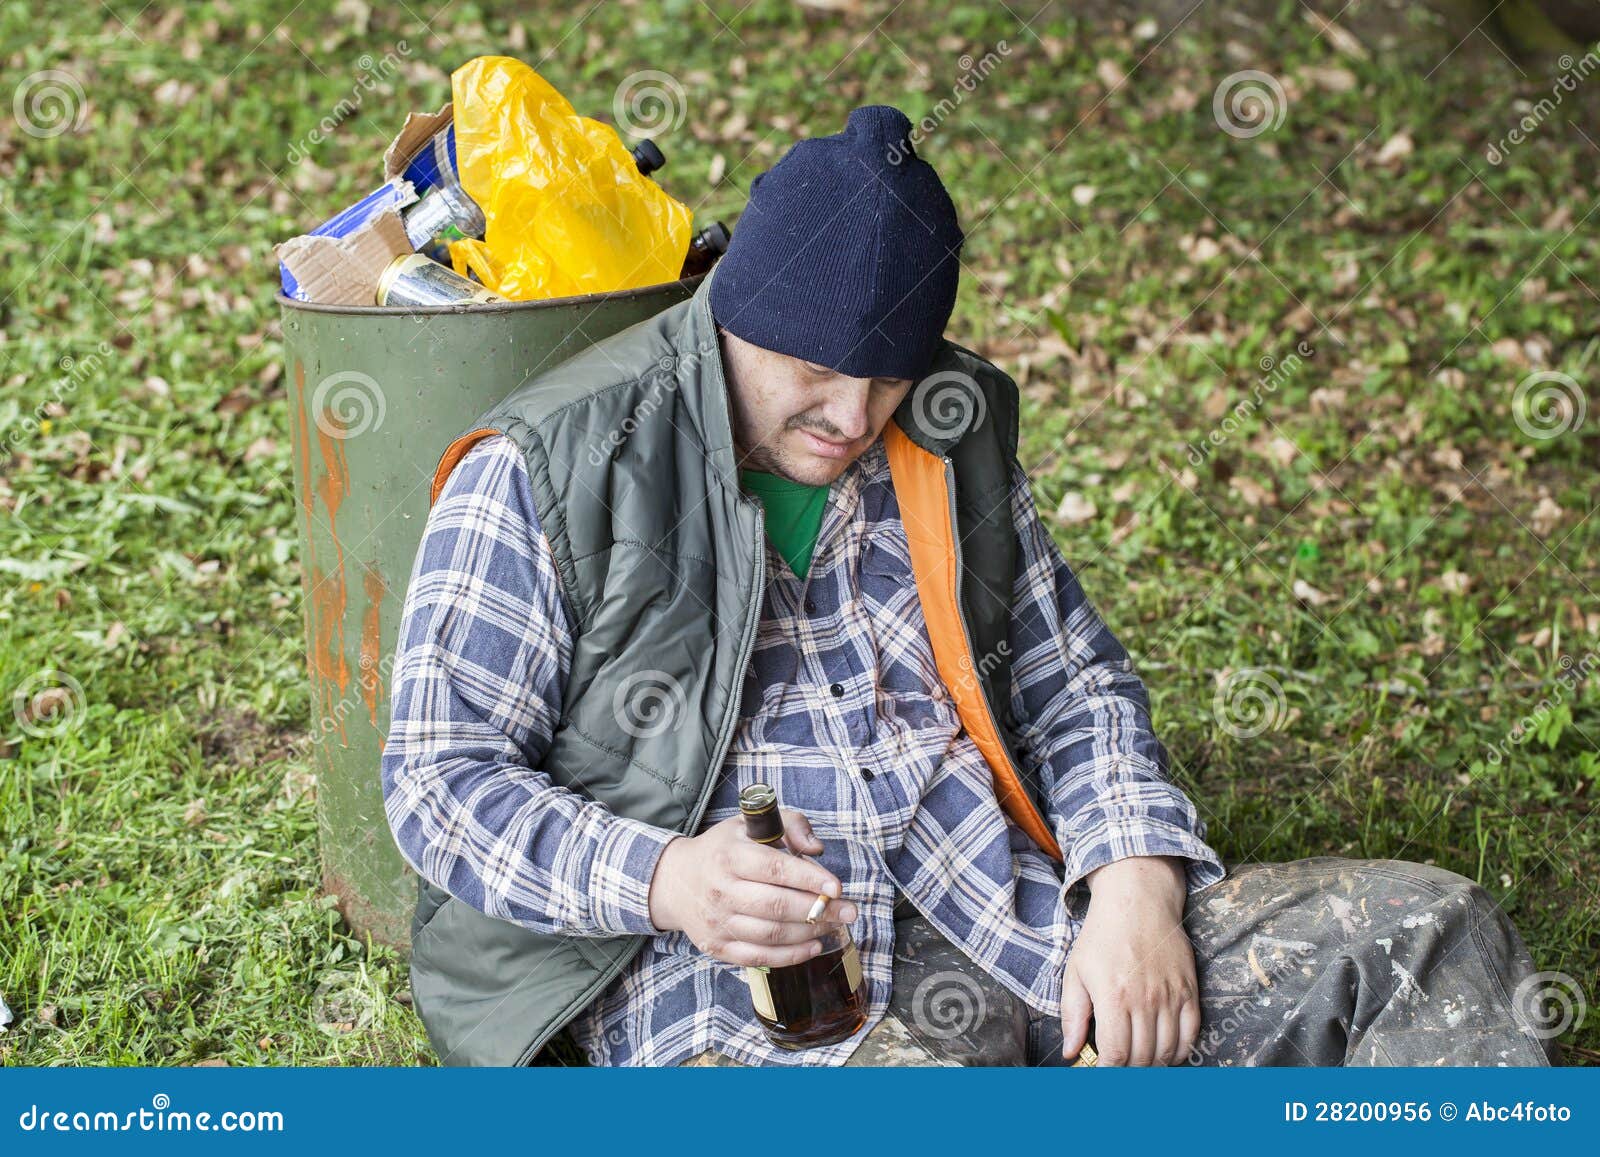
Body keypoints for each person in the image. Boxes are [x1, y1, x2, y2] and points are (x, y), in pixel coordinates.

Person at [379, 105, 1558, 1068]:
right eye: (811, 372)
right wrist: (668, 877)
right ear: (731, 311)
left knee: (1425, 932)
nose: (850, 418)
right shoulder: (550, 466)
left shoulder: (942, 431)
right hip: (763, 993)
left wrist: (1135, 887)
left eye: (888, 377)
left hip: (1006, 914)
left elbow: (1070, 682)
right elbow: (438, 782)